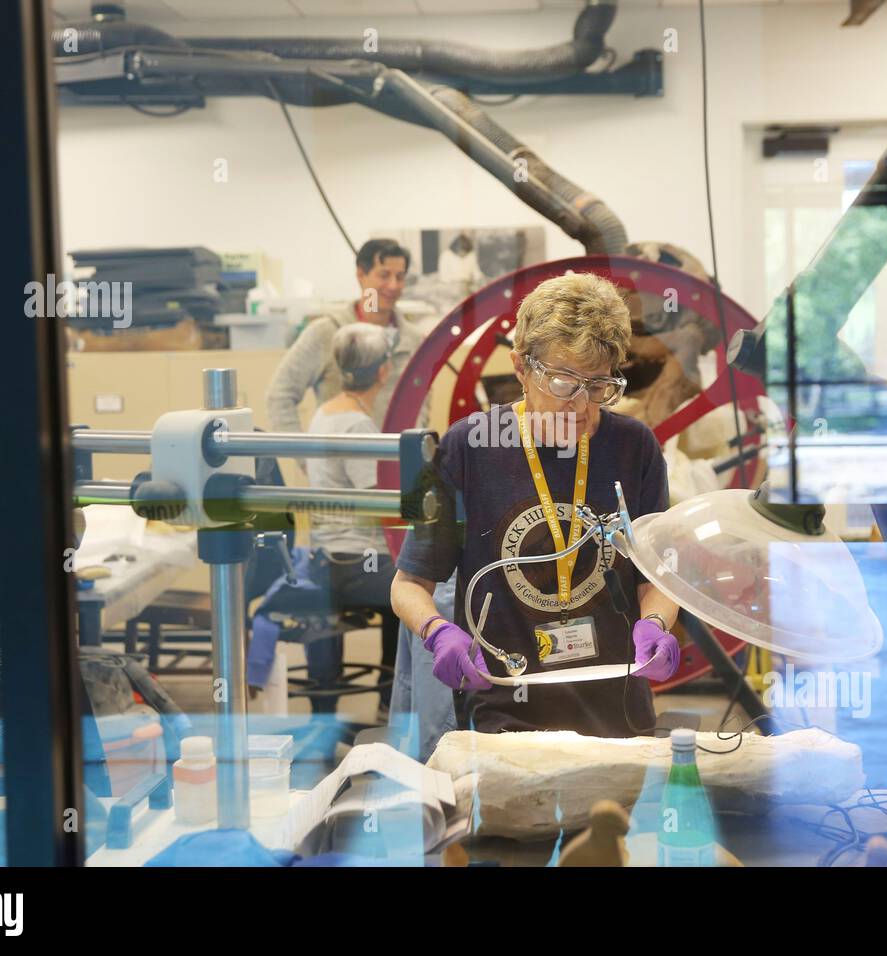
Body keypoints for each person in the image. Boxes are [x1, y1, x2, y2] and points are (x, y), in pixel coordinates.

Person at [391, 273, 682, 736]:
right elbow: (408, 583)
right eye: (564, 383)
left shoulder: (635, 446)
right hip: (504, 708)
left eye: (599, 385)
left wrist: (655, 623)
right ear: (521, 368)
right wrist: (436, 631)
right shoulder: (468, 446)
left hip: (616, 706)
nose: (582, 405)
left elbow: (658, 576)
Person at [301, 323, 402, 716]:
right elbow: (378, 503)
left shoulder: (325, 412)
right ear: (383, 371)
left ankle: (324, 707)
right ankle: (390, 701)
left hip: (324, 561)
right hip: (355, 564)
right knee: (413, 586)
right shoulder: (359, 424)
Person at [266, 238, 422, 452]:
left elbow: (422, 403)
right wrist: (308, 458)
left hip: (399, 472)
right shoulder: (325, 333)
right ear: (361, 275)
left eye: (400, 276)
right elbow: (279, 396)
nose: (393, 285)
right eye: (384, 275)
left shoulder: (413, 340)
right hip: (341, 480)